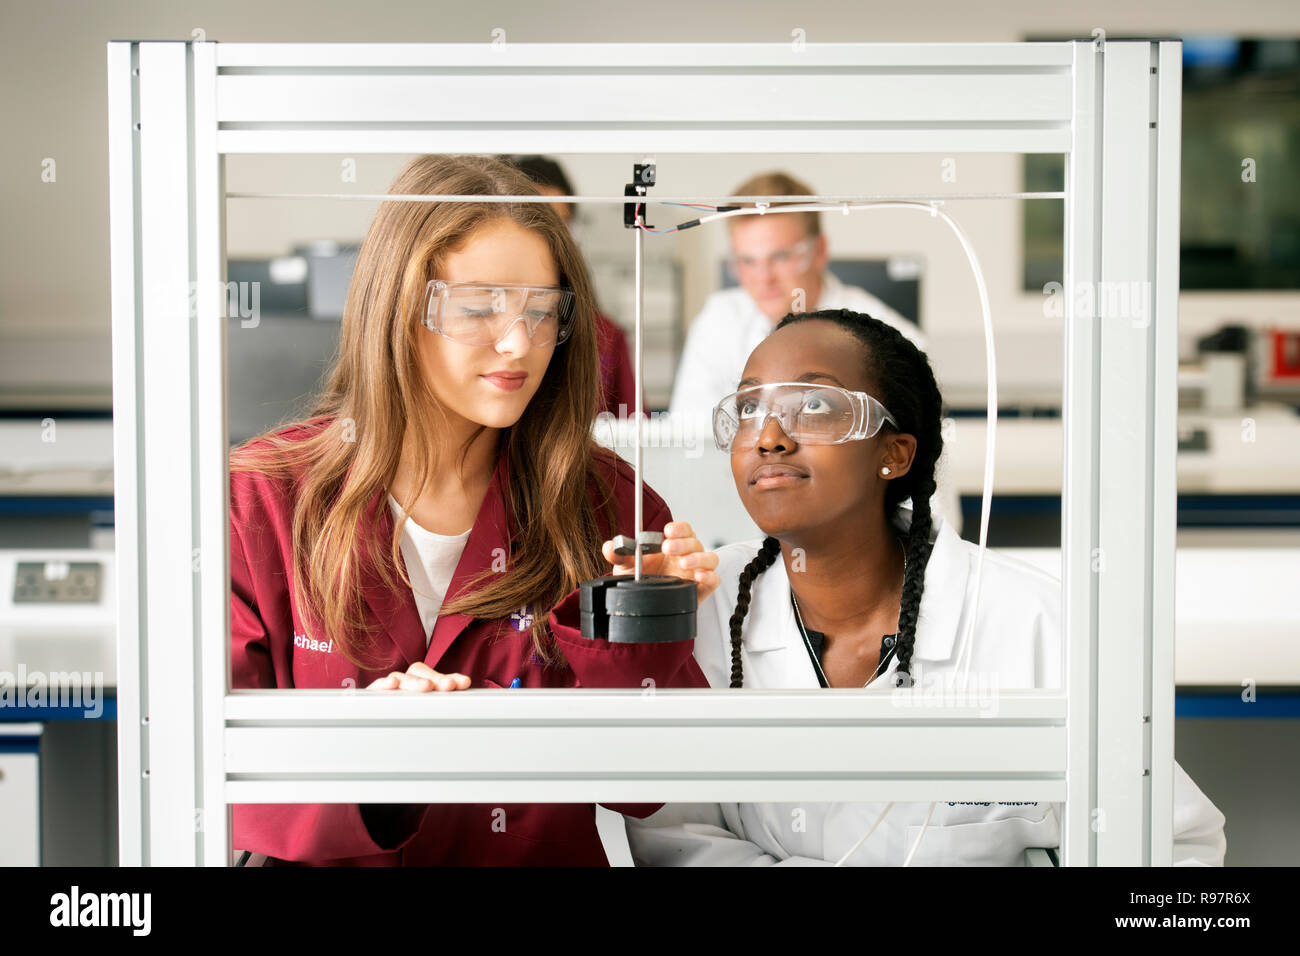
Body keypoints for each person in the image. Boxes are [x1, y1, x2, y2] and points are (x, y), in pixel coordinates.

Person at [228, 154, 720, 866]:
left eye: (542, 311)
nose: (519, 343)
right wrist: (372, 754)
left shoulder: (608, 502)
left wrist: (647, 629)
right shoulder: (265, 500)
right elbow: (207, 770)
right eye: (480, 308)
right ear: (399, 307)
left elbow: (649, 784)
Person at [626, 309, 1227, 866]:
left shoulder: (1033, 623)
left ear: (894, 453)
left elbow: (1171, 848)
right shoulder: (707, 609)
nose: (769, 436)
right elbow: (671, 835)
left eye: (813, 404)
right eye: (751, 407)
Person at [668, 172, 926, 423]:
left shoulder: (884, 334)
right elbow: (689, 434)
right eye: (747, 261)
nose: (763, 278)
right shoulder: (720, 320)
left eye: (779, 257)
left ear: (820, 251)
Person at [498, 154, 644, 417]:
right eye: (536, 218)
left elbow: (638, 431)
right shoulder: (470, 329)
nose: (554, 235)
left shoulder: (605, 336)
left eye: (562, 221)